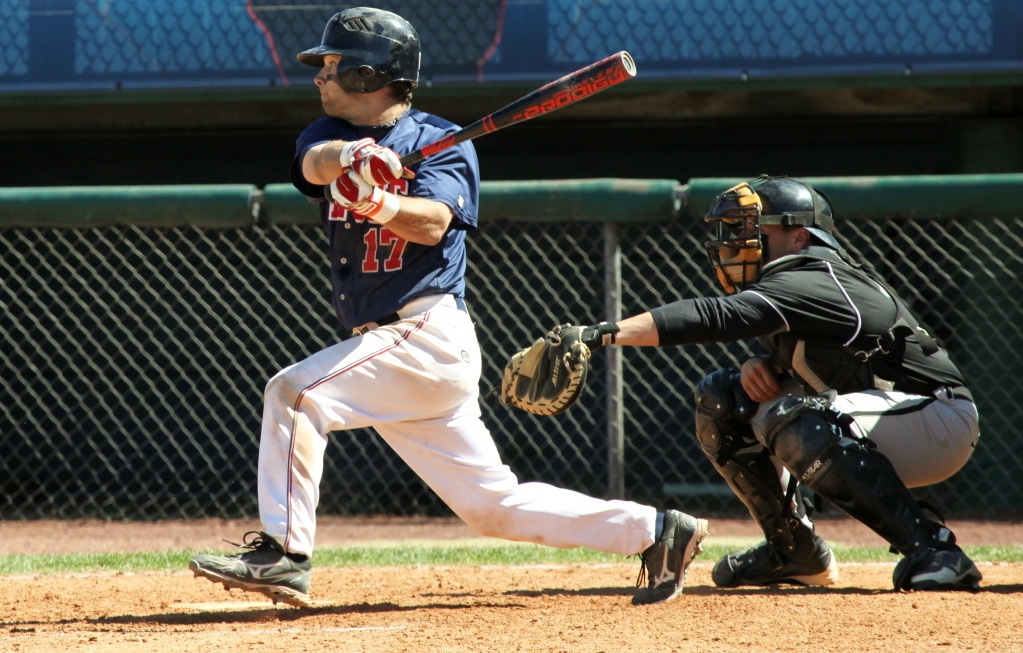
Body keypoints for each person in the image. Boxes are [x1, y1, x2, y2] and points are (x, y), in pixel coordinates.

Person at [188, 6, 708, 608]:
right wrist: (354, 159)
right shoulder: (325, 132)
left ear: (367, 74)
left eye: (332, 65)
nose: (320, 75)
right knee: (493, 507)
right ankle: (656, 531)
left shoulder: (441, 143)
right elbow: (313, 163)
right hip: (388, 346)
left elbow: (434, 223)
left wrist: (378, 203)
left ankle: (284, 554)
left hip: (424, 333)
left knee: (295, 393)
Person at [566, 175, 982, 592]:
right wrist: (764, 363)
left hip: (936, 418)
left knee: (798, 419)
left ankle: (936, 550)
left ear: (799, 236)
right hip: (876, 418)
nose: (736, 242)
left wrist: (602, 333)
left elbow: (716, 316)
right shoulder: (794, 280)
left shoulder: (815, 274)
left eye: (751, 229)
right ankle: (796, 553)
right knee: (726, 397)